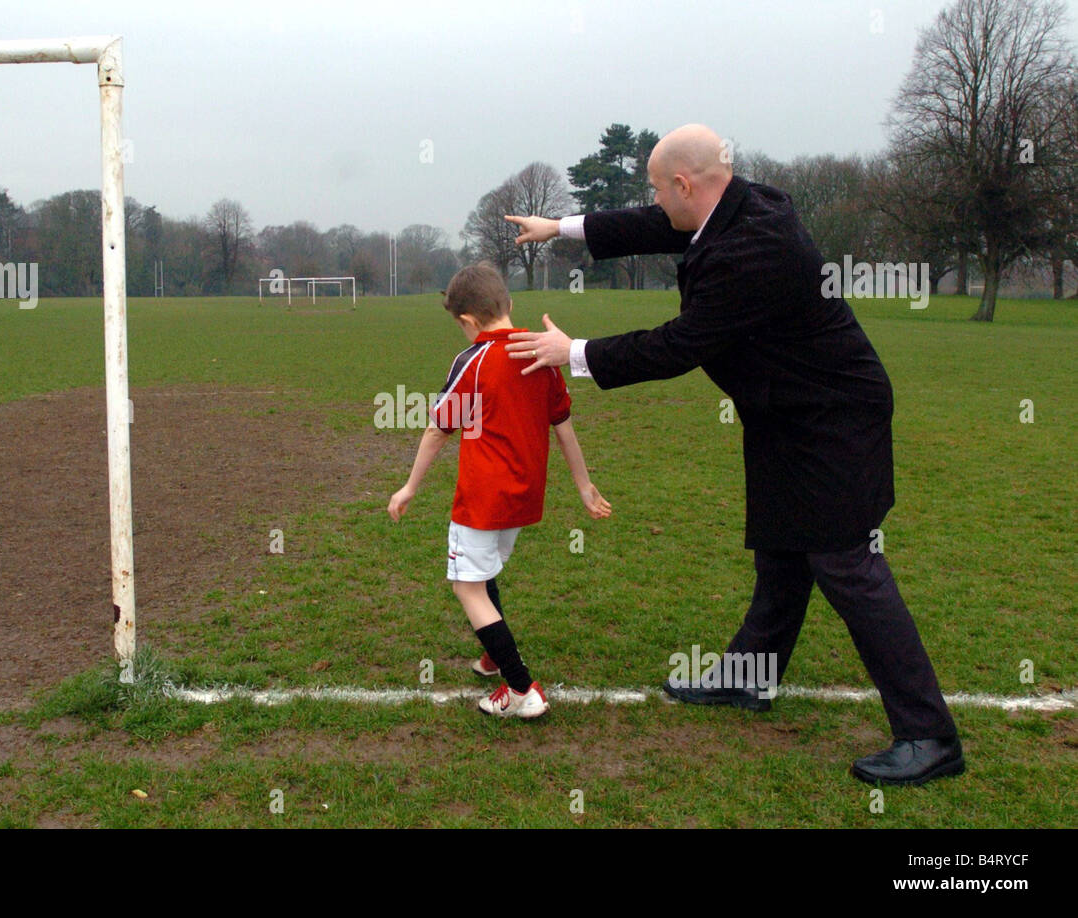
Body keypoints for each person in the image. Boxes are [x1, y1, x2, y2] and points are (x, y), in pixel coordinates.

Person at [502, 124, 964, 784]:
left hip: (831, 418)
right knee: (782, 546)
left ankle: (930, 736)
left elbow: (681, 346)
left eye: (661, 190)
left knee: (845, 563)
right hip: (785, 412)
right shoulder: (738, 205)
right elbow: (660, 226)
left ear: (687, 184)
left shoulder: (752, 249)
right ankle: (750, 679)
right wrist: (562, 228)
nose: (657, 203)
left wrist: (572, 354)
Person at [387, 263, 611, 719]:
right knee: (483, 573)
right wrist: (584, 486)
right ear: (508, 304)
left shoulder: (475, 360)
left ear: (467, 322)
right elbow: (564, 428)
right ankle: (492, 656)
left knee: (465, 586)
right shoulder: (543, 355)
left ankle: (522, 688)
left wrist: (409, 486)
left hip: (482, 498)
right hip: (523, 498)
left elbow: (438, 430)